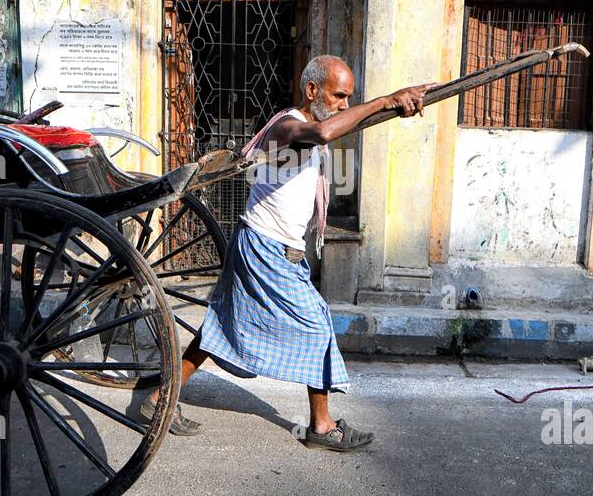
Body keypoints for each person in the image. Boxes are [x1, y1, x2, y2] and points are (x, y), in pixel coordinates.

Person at [139, 55, 435, 451]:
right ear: (312, 90)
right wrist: (385, 100)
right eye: (339, 95)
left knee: (219, 329)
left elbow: (342, 123)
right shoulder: (288, 126)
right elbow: (325, 131)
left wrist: (397, 105)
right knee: (317, 323)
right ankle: (322, 425)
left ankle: (159, 398)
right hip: (264, 248)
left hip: (269, 246)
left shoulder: (310, 123)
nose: (345, 104)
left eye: (350, 97)